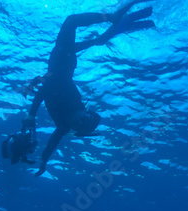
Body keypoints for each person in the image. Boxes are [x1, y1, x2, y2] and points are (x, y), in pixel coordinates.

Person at [10, 1, 155, 176]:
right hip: (62, 62)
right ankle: (112, 19)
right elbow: (47, 87)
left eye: (78, 125)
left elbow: (52, 142)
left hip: (62, 60)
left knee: (79, 37)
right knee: (71, 22)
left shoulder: (63, 126)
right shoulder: (71, 105)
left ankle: (106, 31)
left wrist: (44, 161)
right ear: (84, 113)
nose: (76, 121)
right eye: (82, 119)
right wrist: (32, 110)